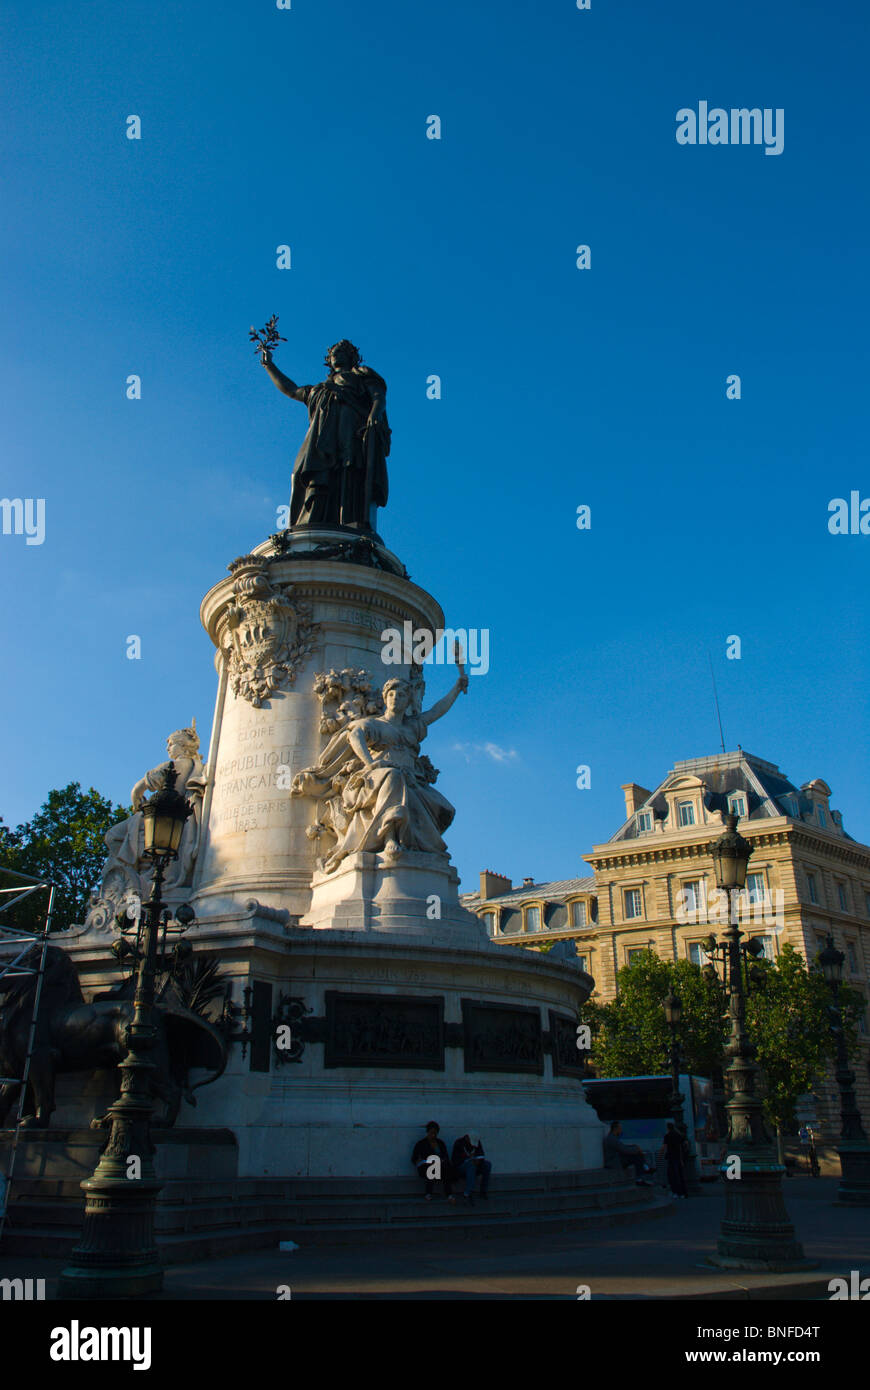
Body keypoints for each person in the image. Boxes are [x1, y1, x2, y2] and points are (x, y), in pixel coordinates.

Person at [411, 1121, 455, 1202]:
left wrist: (442, 1160)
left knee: (446, 1169)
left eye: (435, 1133)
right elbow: (414, 1158)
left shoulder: (440, 1143)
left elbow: (445, 1156)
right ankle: (428, 1193)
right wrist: (420, 1161)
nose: (433, 1135)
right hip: (426, 1167)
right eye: (431, 1133)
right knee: (432, 1168)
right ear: (427, 1132)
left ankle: (449, 1194)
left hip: (440, 1166)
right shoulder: (421, 1144)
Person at [603, 1121, 652, 1185]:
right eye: (620, 1128)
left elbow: (623, 1147)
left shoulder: (612, 1137)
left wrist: (635, 1147)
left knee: (637, 1154)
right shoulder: (612, 1139)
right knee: (636, 1156)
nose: (621, 1130)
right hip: (614, 1162)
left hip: (617, 1159)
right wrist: (637, 1149)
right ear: (616, 1129)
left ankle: (644, 1171)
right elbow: (624, 1149)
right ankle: (644, 1170)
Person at [451, 1131, 491, 1205]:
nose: (473, 1145)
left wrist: (478, 1160)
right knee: (471, 1165)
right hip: (461, 1167)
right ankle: (468, 1193)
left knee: (487, 1165)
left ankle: (483, 1191)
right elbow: (455, 1160)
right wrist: (469, 1160)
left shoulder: (477, 1143)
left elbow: (481, 1155)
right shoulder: (459, 1143)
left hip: (474, 1165)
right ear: (467, 1138)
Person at [660, 1121, 689, 1198]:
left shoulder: (667, 1136)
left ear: (667, 1128)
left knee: (672, 1175)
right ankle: (683, 1193)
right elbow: (685, 1143)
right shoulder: (678, 1135)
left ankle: (675, 1192)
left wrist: (660, 1155)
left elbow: (663, 1147)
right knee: (680, 1175)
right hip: (679, 1157)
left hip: (671, 1157)